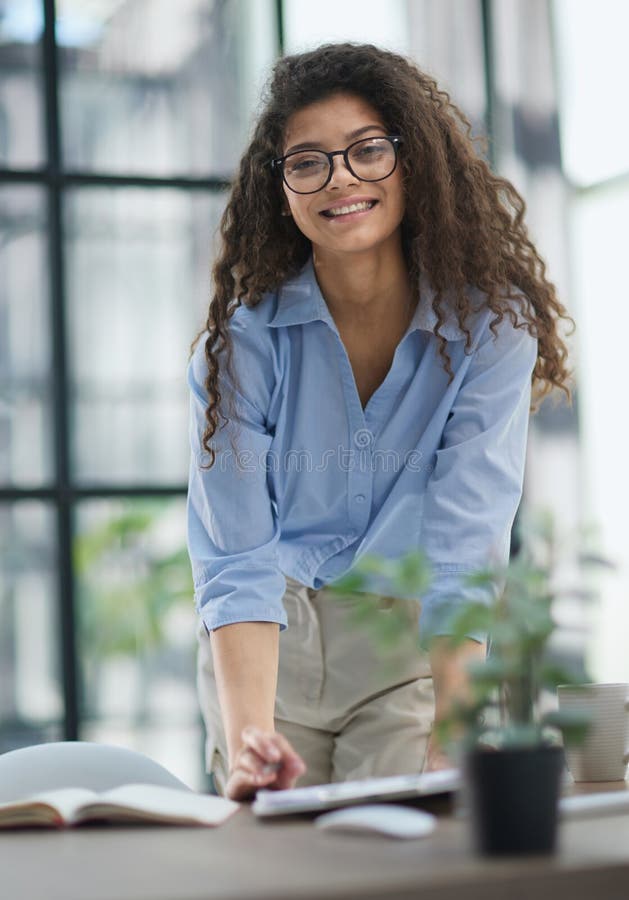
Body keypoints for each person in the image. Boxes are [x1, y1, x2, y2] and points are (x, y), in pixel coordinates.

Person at [186, 42, 574, 801]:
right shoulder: (239, 348)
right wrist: (247, 743)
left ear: (412, 160)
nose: (341, 180)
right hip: (270, 643)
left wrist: (452, 734)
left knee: (390, 864)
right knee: (273, 868)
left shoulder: (490, 337)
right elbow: (235, 558)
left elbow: (466, 543)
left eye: (367, 151)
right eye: (308, 162)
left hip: (406, 653)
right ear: (280, 188)